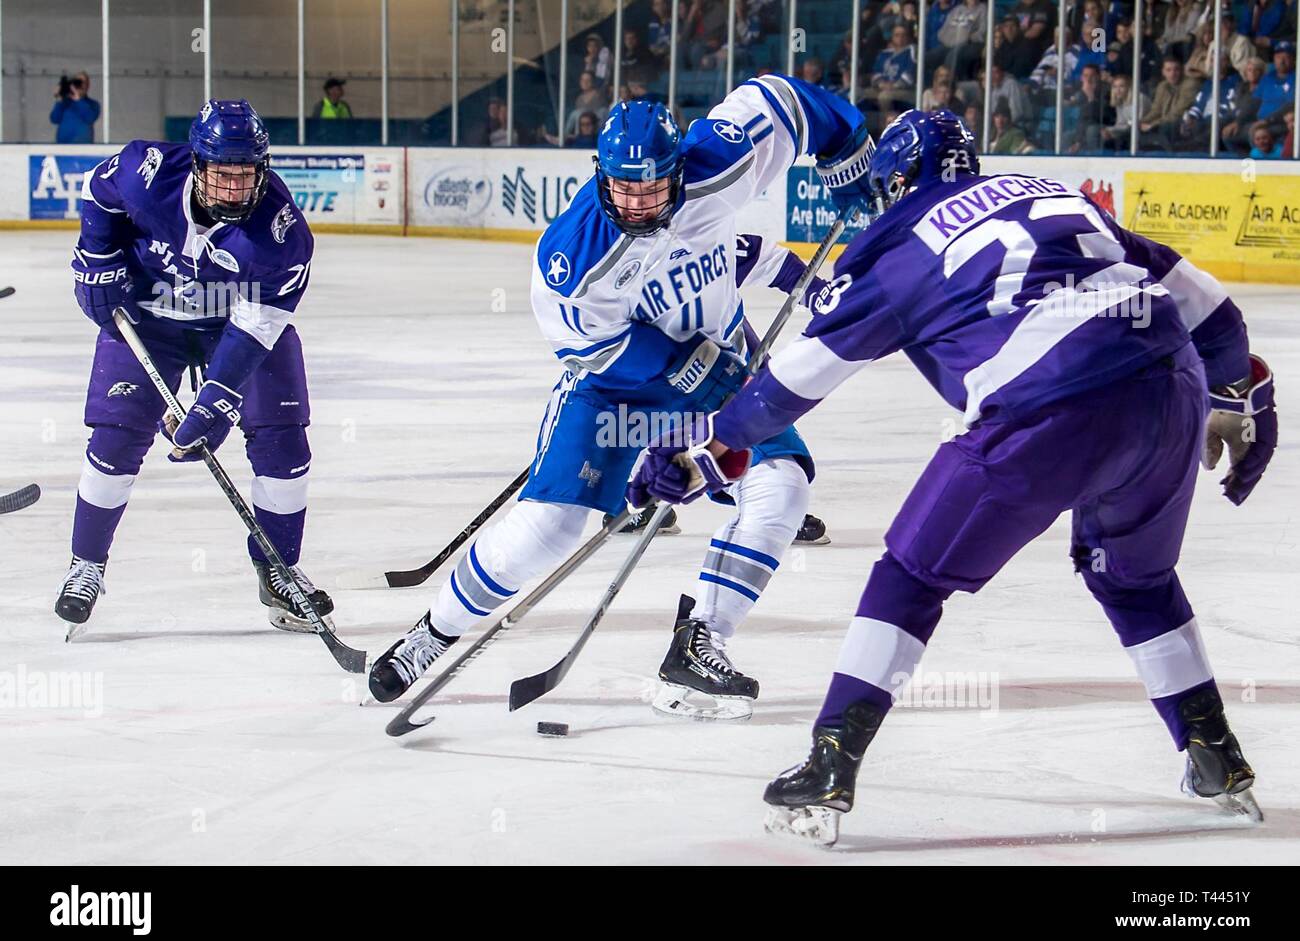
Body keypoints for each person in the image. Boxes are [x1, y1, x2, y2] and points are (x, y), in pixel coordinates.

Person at [631, 109, 1274, 845]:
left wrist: (708, 447)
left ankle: (832, 758)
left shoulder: (900, 241)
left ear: (899, 180)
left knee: (909, 575)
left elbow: (792, 383)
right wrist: (1242, 395)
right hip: (1170, 388)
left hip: (1045, 404)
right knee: (1135, 581)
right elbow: (1211, 307)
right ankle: (1213, 747)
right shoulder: (1049, 193)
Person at [367, 77, 871, 720]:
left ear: (677, 172)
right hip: (612, 396)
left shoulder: (718, 164)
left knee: (783, 490)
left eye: (653, 187)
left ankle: (699, 642)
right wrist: (681, 408)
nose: (637, 202)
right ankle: (430, 635)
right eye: (624, 187)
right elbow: (599, 352)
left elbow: (786, 99)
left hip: (716, 374)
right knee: (549, 529)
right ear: (600, 174)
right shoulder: (571, 257)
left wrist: (849, 156)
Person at [58, 100, 331, 637]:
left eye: (246, 176)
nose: (235, 189)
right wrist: (97, 257)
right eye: (223, 176)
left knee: (283, 439)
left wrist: (217, 396)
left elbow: (257, 325)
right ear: (199, 164)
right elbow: (98, 192)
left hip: (234, 323)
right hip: (148, 317)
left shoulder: (281, 236)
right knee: (115, 438)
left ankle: (278, 569)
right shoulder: (149, 174)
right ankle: (86, 565)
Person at [50, 71, 100, 144]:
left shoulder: (93, 104)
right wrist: (59, 99)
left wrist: (78, 100)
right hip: (62, 146)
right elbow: (54, 119)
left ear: (88, 85)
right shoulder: (65, 102)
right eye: (78, 82)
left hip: (83, 147)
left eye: (84, 82)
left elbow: (90, 118)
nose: (81, 85)